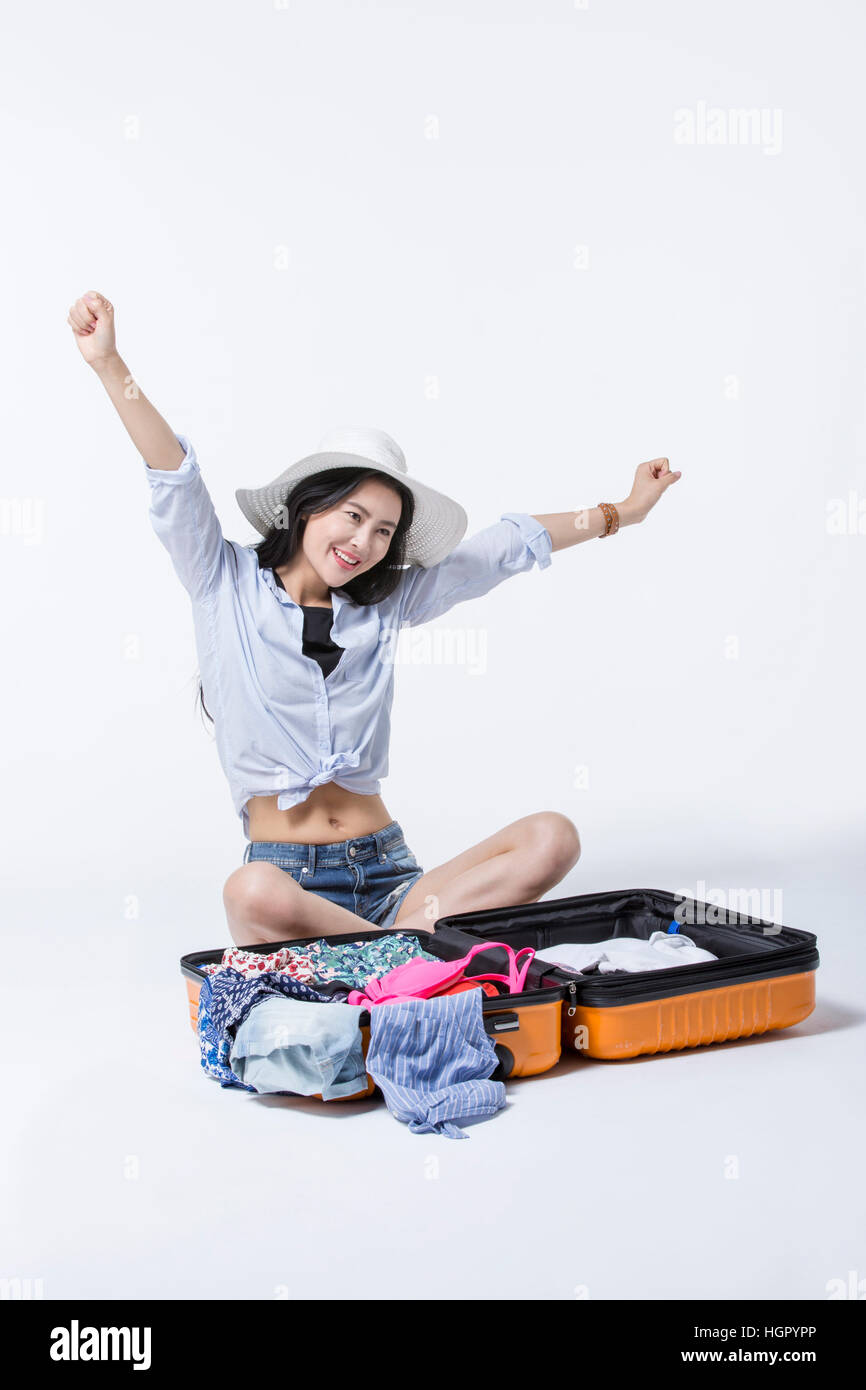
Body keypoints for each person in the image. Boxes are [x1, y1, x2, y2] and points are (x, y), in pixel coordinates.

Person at [68, 289, 681, 949]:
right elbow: (175, 477)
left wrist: (623, 511)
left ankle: (387, 949)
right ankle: (408, 949)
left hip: (394, 876)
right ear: (308, 508)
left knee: (551, 837)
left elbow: (504, 547)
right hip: (290, 887)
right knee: (248, 892)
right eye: (353, 517)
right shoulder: (222, 582)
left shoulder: (385, 603)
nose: (364, 543)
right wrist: (110, 364)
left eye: (384, 531)